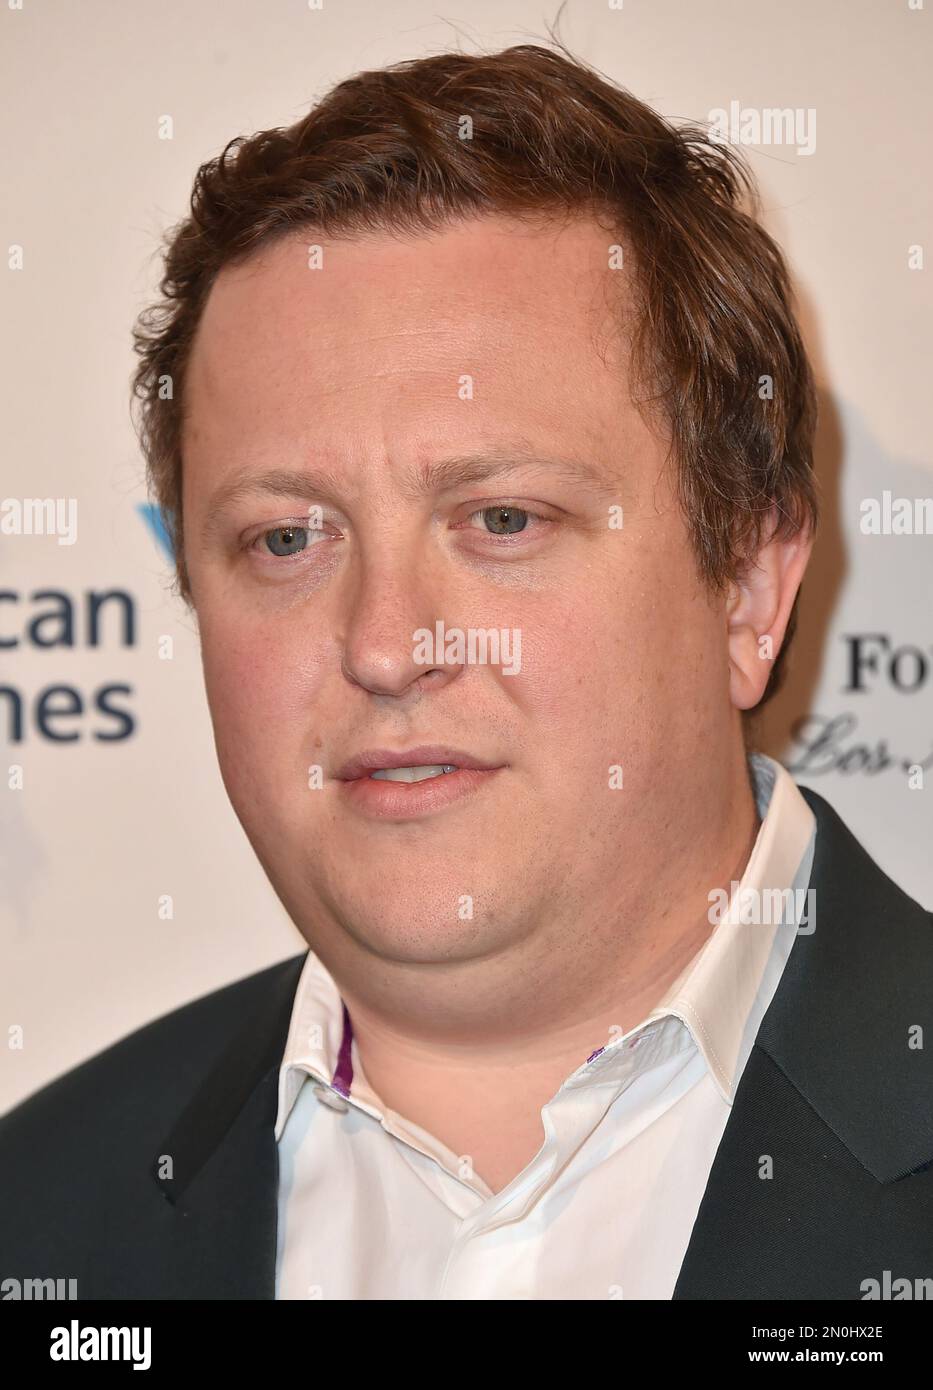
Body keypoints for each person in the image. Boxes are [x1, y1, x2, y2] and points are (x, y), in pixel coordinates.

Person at [2, 41, 931, 1301]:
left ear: (753, 582)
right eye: (286, 537)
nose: (387, 644)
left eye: (502, 520)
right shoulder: (42, 1213)